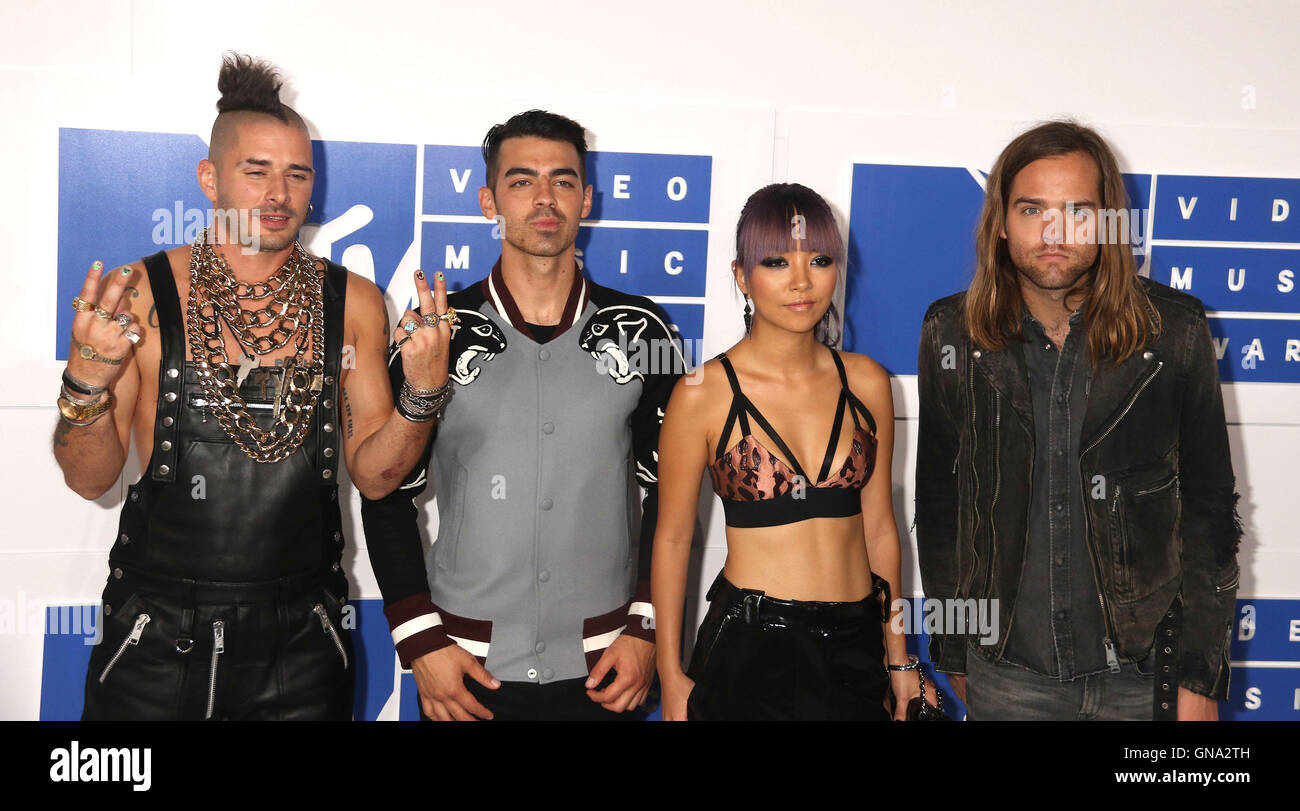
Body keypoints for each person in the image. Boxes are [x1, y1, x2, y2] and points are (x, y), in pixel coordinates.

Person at [56, 53, 450, 720]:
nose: (279, 194)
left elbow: (379, 478)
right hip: (153, 642)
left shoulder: (353, 302)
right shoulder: (142, 294)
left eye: (297, 175)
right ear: (210, 178)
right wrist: (86, 383)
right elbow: (90, 479)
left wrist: (421, 393)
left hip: (302, 644)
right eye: (256, 171)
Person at [361, 110, 685, 721]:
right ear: (489, 200)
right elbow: (383, 490)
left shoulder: (643, 330)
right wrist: (420, 639)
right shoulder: (434, 333)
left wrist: (647, 628)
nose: (544, 198)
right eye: (521, 181)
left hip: (605, 667)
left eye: (562, 181)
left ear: (586, 199)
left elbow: (669, 490)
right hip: (466, 669)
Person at [915, 121, 1241, 721]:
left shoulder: (1175, 331)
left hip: (1146, 676)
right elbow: (941, 506)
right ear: (1002, 221)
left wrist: (1198, 672)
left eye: (1078, 210)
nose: (1053, 232)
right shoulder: (951, 333)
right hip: (1008, 675)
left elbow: (1209, 510)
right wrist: (954, 643)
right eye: (1032, 208)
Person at [652, 183, 924, 721]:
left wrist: (899, 661)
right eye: (776, 261)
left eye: (819, 259)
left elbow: (880, 530)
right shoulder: (702, 393)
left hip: (856, 649)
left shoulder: (867, 381)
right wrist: (671, 674)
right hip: (749, 650)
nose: (801, 281)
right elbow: (673, 538)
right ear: (741, 276)